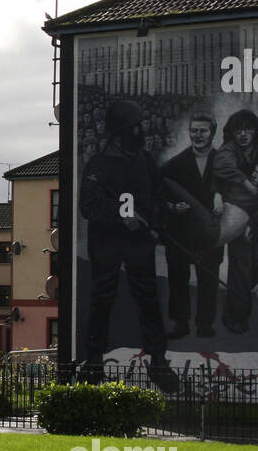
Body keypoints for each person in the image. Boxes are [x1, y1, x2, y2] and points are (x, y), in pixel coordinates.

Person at [78, 99, 179, 392]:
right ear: (121, 130)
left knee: (148, 300)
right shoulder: (100, 164)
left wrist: (158, 220)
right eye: (134, 127)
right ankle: (94, 360)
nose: (140, 131)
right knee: (101, 298)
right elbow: (89, 204)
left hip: (139, 243)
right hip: (107, 243)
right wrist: (122, 214)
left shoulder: (145, 161)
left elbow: (158, 193)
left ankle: (158, 361)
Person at [211, 110, 258, 334]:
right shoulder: (229, 149)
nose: (243, 135)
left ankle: (234, 300)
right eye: (238, 130)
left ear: (255, 131)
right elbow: (222, 164)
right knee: (240, 264)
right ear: (232, 132)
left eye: (248, 130)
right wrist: (245, 181)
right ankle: (238, 315)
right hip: (238, 212)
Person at [160, 113, 223, 338]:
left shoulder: (224, 162)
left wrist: (220, 195)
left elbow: (236, 191)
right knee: (178, 278)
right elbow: (158, 197)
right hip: (180, 232)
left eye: (203, 131)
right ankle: (180, 323)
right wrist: (172, 207)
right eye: (194, 130)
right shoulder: (173, 165)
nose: (197, 135)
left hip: (209, 233)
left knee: (209, 278)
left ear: (213, 133)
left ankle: (205, 323)